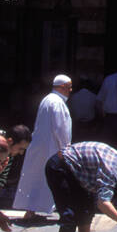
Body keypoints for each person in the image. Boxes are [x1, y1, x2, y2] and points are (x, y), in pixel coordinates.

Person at [44, 142, 117, 232]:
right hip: (60, 166)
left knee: (87, 208)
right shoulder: (111, 170)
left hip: (78, 172)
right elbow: (103, 203)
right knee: (69, 213)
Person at [12, 75, 73, 217]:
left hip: (41, 146)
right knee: (48, 178)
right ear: (62, 87)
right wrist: (66, 149)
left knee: (35, 178)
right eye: (69, 87)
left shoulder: (48, 99)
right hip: (51, 147)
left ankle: (30, 210)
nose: (71, 90)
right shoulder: (56, 102)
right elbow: (60, 128)